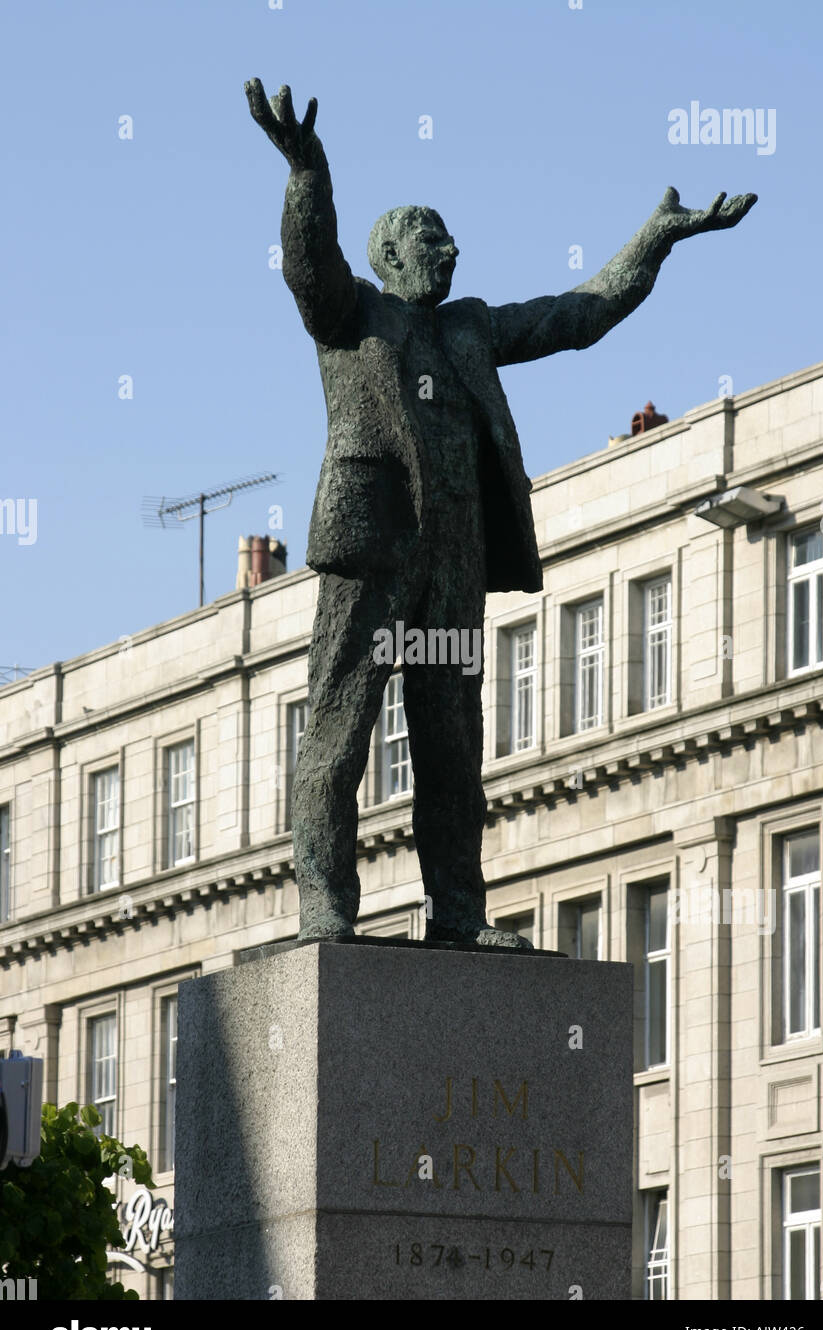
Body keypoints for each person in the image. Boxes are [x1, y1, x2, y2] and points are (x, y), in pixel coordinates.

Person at [245, 78, 757, 947]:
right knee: (339, 734)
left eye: (449, 237)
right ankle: (327, 905)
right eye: (431, 239)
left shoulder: (473, 327)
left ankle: (456, 913)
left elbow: (578, 315)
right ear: (391, 258)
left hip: (452, 565)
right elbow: (307, 259)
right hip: (375, 558)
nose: (450, 250)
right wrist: (307, 171)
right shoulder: (349, 316)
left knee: (452, 752)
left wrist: (655, 239)